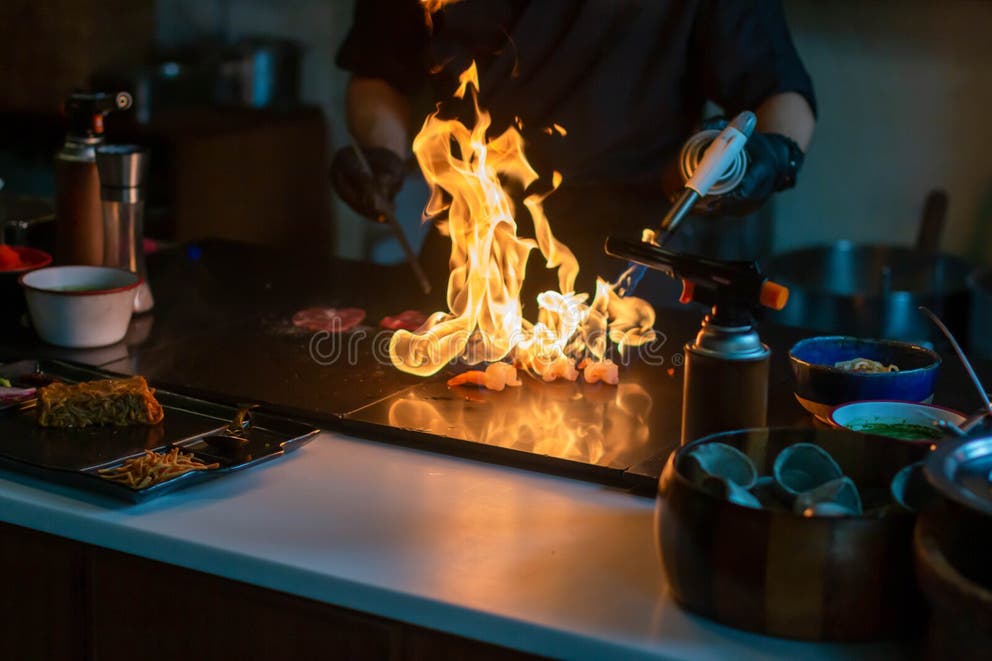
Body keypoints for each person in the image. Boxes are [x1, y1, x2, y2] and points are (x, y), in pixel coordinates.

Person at [330, 0, 816, 299]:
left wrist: (771, 158)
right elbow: (380, 70)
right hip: (472, 256)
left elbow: (779, 93)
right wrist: (383, 155)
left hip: (632, 268)